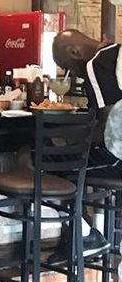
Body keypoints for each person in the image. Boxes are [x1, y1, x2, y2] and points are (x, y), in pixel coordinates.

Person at [52, 29, 122, 256]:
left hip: (118, 157)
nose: (75, 74)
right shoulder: (117, 52)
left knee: (48, 163)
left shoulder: (95, 64)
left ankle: (84, 237)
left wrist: (76, 142)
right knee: (68, 159)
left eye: (70, 67)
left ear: (75, 52)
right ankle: (97, 232)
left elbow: (107, 122)